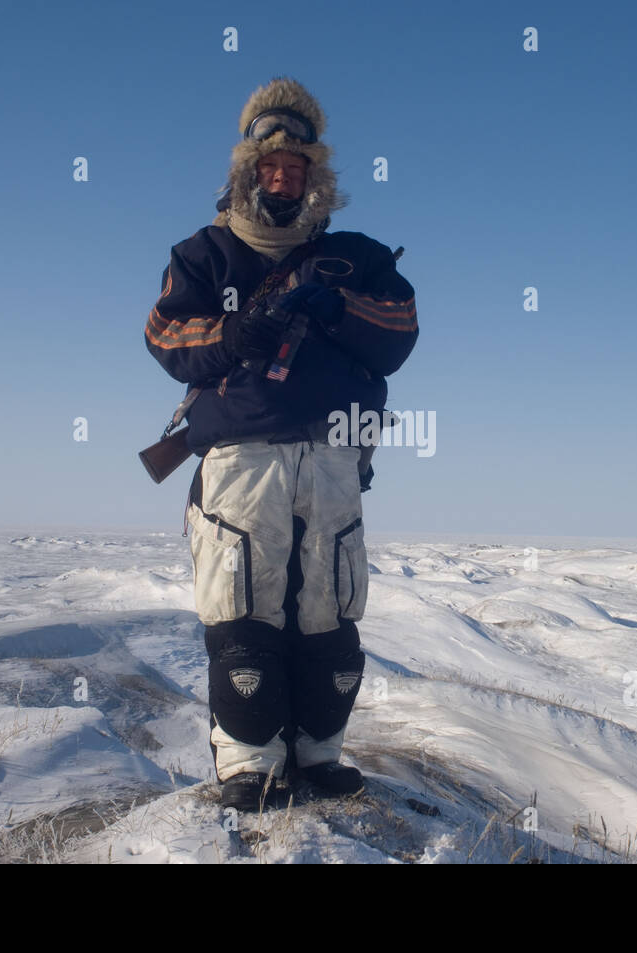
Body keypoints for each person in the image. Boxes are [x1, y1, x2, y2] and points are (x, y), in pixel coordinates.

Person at [143, 77, 419, 811]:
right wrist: (231, 334)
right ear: (247, 172)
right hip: (241, 460)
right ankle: (248, 765)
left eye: (296, 171)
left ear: (314, 180)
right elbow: (165, 336)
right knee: (243, 608)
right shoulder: (204, 254)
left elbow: (399, 333)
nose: (282, 180)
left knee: (330, 609)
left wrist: (341, 307)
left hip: (333, 457)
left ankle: (318, 756)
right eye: (270, 169)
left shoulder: (357, 257)